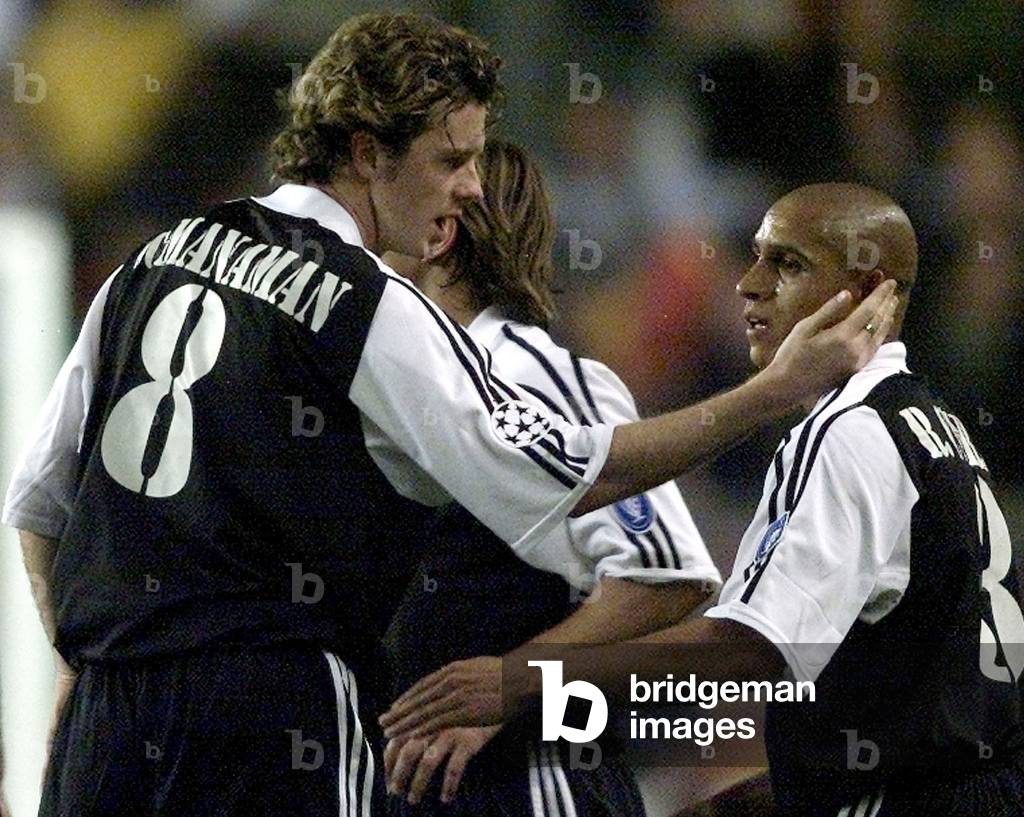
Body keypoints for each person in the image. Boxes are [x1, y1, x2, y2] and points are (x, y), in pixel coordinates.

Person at [1, 8, 894, 814]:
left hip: (106, 724)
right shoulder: (365, 303)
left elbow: (38, 505)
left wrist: (93, 654)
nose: (471, 188)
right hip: (273, 722)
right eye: (451, 158)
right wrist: (777, 390)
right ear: (364, 153)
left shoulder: (151, 258)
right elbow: (581, 472)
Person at [379, 184, 1024, 817]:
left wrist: (522, 684)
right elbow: (925, 712)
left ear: (866, 292)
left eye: (788, 264)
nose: (749, 283)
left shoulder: (848, 432)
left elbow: (749, 651)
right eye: (757, 255)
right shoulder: (934, 428)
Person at [379, 139, 722, 815]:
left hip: (536, 780)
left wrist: (507, 684)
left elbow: (667, 572)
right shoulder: (409, 381)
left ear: (441, 229)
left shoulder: (536, 377)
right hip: (427, 779)